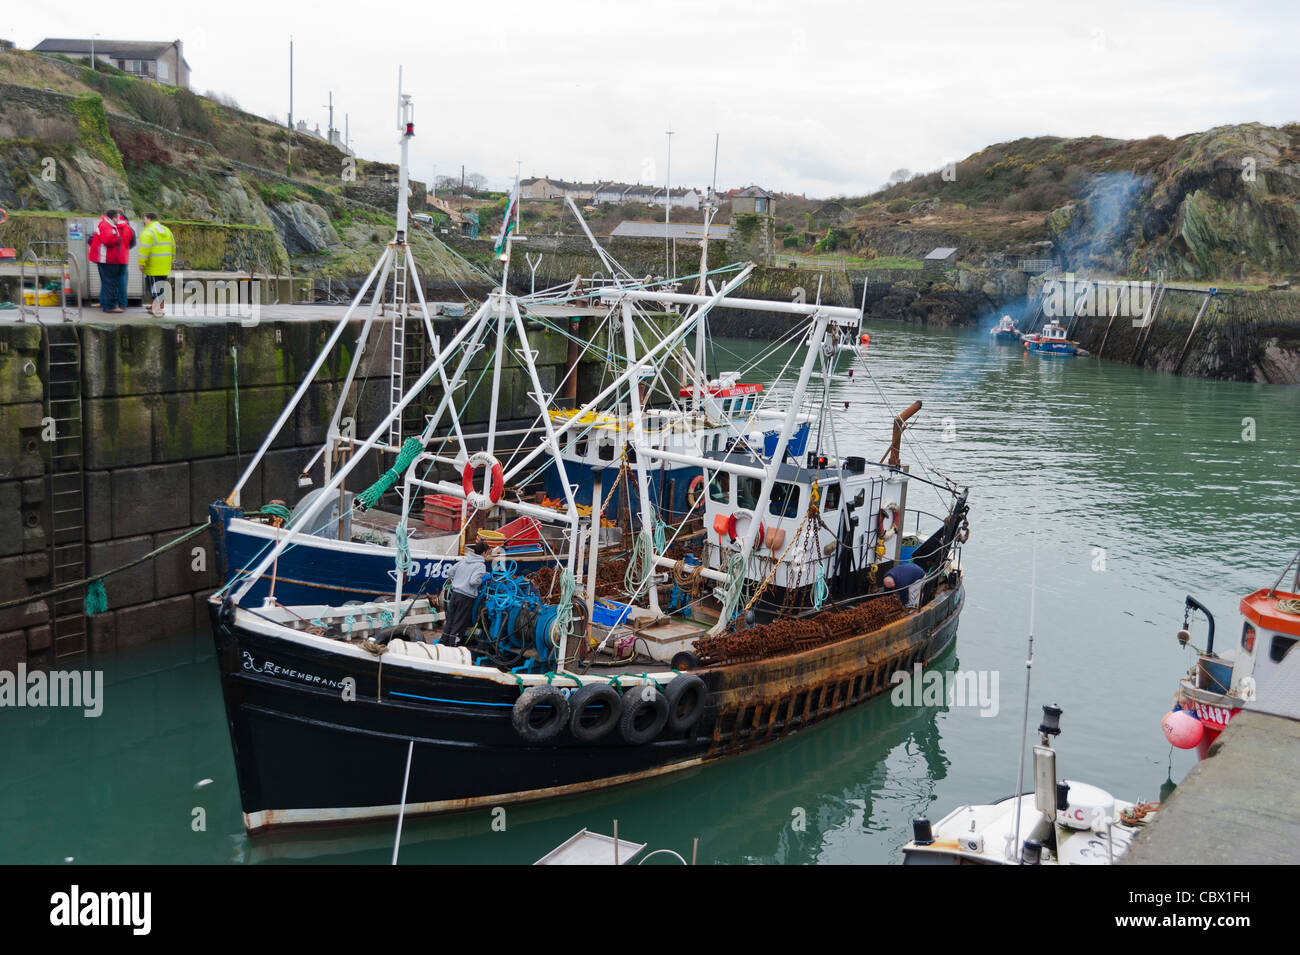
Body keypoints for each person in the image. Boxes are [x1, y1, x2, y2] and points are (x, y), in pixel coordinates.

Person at [441, 541, 491, 647]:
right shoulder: (480, 566)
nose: (487, 555)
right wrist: (483, 579)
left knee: (450, 620)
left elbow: (450, 573)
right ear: (483, 553)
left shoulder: (464, 561)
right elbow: (473, 581)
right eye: (488, 552)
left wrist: (458, 581)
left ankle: (443, 642)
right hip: (466, 597)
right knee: (459, 622)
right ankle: (453, 646)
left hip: (455, 594)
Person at [137, 213, 174, 316]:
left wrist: (141, 263)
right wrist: (171, 260)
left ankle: (157, 310)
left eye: (144, 219)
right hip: (165, 265)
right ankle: (159, 306)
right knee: (161, 287)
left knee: (154, 288)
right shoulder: (167, 230)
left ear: (148, 219)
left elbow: (144, 249)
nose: (144, 221)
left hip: (153, 266)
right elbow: (173, 246)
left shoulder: (148, 232)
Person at [87, 209, 123, 313]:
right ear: (113, 217)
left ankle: (106, 303)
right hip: (106, 259)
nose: (119, 219)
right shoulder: (106, 226)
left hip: (106, 259)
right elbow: (107, 240)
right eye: (118, 217)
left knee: (107, 282)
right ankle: (110, 306)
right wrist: (118, 239)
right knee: (110, 283)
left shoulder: (106, 224)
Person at [112, 212, 135, 312]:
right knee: (122, 281)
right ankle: (123, 304)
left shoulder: (111, 225)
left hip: (111, 259)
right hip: (124, 259)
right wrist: (125, 248)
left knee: (110, 282)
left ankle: (111, 304)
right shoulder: (129, 228)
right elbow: (133, 243)